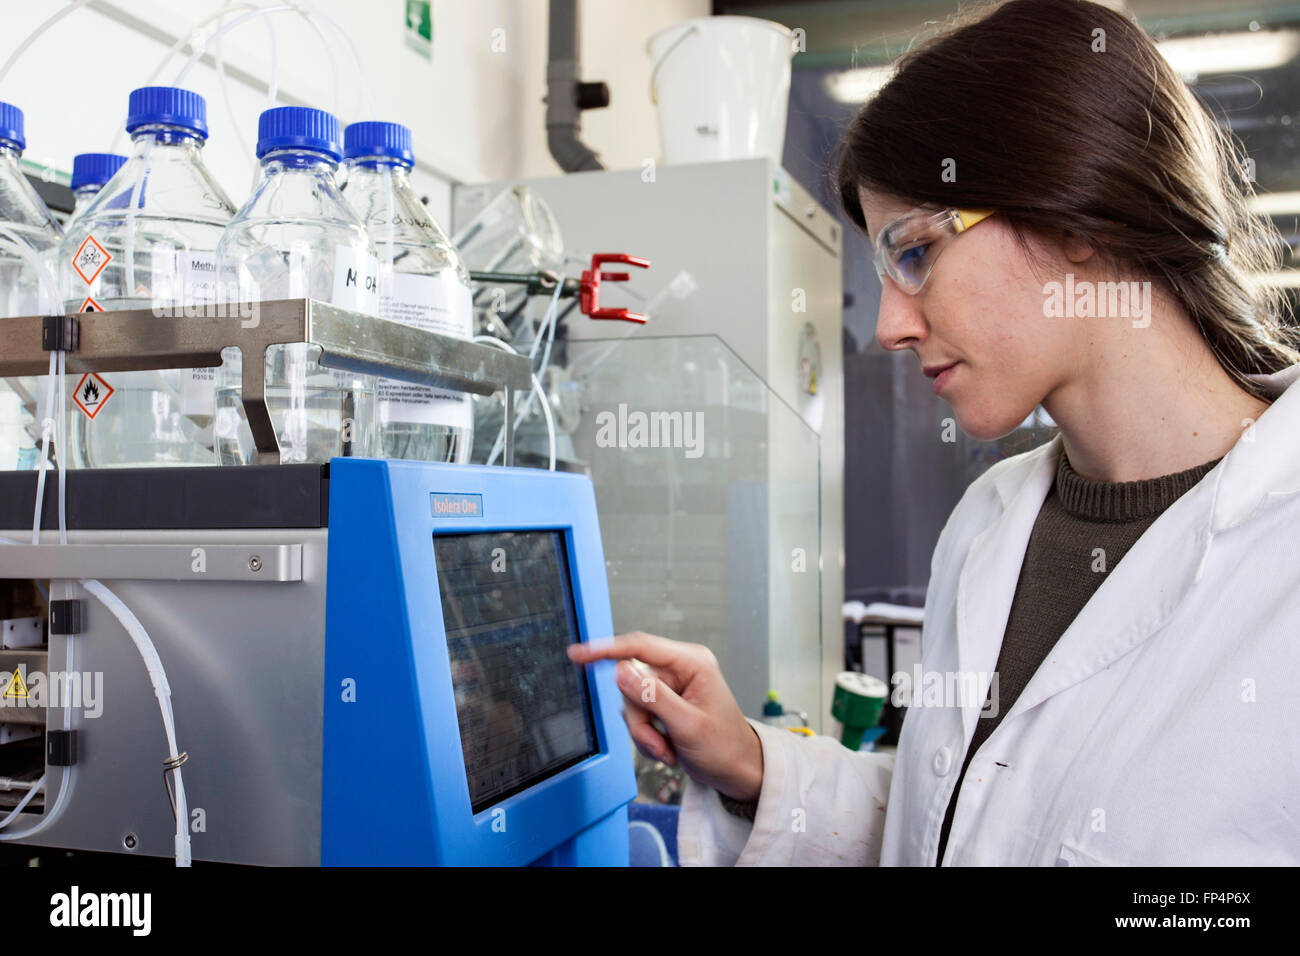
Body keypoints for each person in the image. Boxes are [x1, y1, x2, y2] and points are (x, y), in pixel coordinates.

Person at [568, 0, 1300, 865]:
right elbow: (967, 816)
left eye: (913, 252)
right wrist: (751, 762)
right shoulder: (990, 522)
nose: (887, 325)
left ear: (1075, 213)